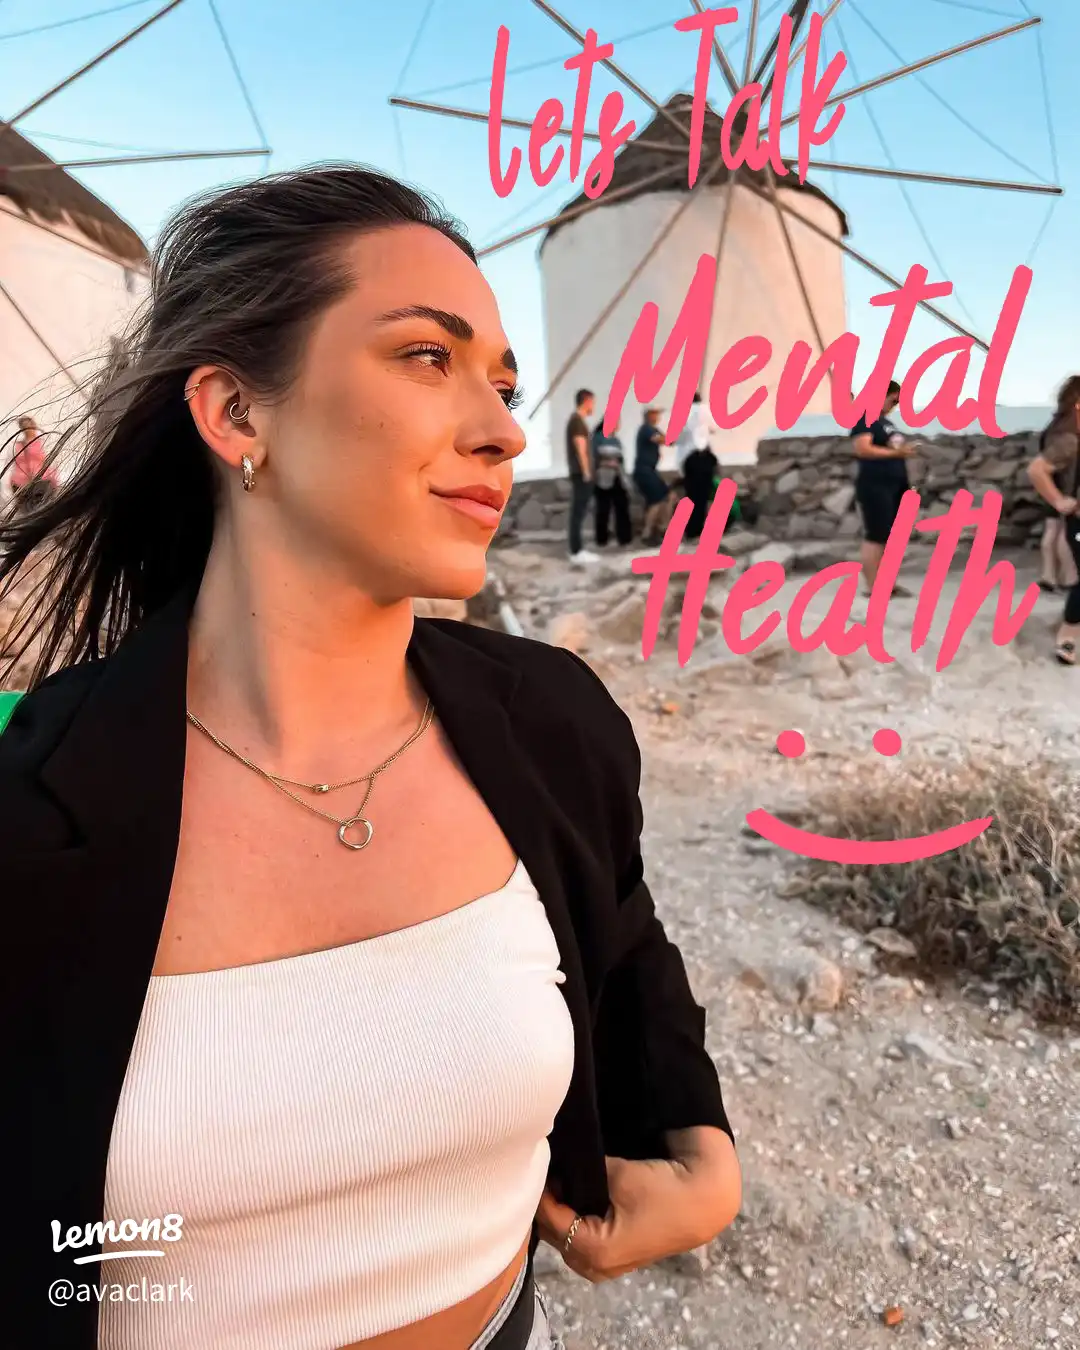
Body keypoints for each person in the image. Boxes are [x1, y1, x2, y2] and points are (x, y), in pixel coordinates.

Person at [0, 165, 740, 1350]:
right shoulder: (29, 811)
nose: (504, 430)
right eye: (427, 358)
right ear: (238, 414)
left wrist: (706, 1161)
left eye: (505, 382)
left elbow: (623, 946)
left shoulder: (550, 718)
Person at [1027, 374, 1080, 665]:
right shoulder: (1069, 438)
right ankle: (1068, 638)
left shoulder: (1061, 430)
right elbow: (1037, 469)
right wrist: (1060, 500)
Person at [851, 380, 915, 595]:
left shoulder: (885, 423)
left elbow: (890, 448)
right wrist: (897, 453)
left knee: (890, 537)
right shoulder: (866, 420)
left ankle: (887, 584)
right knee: (876, 536)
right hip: (875, 486)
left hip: (893, 486)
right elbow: (863, 449)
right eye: (893, 399)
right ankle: (873, 587)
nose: (894, 405)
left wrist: (902, 452)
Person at [565, 388, 598, 565]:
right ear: (586, 401)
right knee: (578, 512)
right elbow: (580, 447)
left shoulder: (577, 421)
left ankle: (576, 550)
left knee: (579, 511)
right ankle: (576, 551)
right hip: (581, 473)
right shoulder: (577, 421)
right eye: (592, 402)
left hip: (580, 473)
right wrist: (586, 471)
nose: (593, 406)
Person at [590, 413, 632, 548]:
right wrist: (607, 464)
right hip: (602, 477)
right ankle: (602, 539)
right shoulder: (597, 439)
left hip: (617, 477)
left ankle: (624, 538)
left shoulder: (616, 441)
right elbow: (593, 458)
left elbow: (621, 460)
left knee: (622, 506)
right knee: (603, 509)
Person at [633, 407, 670, 546]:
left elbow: (668, 441)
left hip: (651, 471)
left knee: (667, 495)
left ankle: (661, 528)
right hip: (644, 471)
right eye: (656, 413)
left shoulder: (653, 429)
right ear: (650, 415)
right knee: (656, 500)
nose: (658, 416)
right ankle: (647, 533)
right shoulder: (646, 429)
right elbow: (661, 439)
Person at [8, 414, 58, 512]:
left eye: (29, 425)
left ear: (34, 425)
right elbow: (11, 467)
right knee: (28, 515)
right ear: (21, 429)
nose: (27, 428)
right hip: (22, 486)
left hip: (43, 483)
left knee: (43, 512)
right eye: (24, 426)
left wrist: (54, 484)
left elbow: (52, 463)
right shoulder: (17, 445)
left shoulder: (43, 442)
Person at [672, 391, 710, 474]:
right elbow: (712, 429)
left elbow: (681, 432)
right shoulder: (705, 409)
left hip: (687, 452)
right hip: (703, 450)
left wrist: (673, 441)